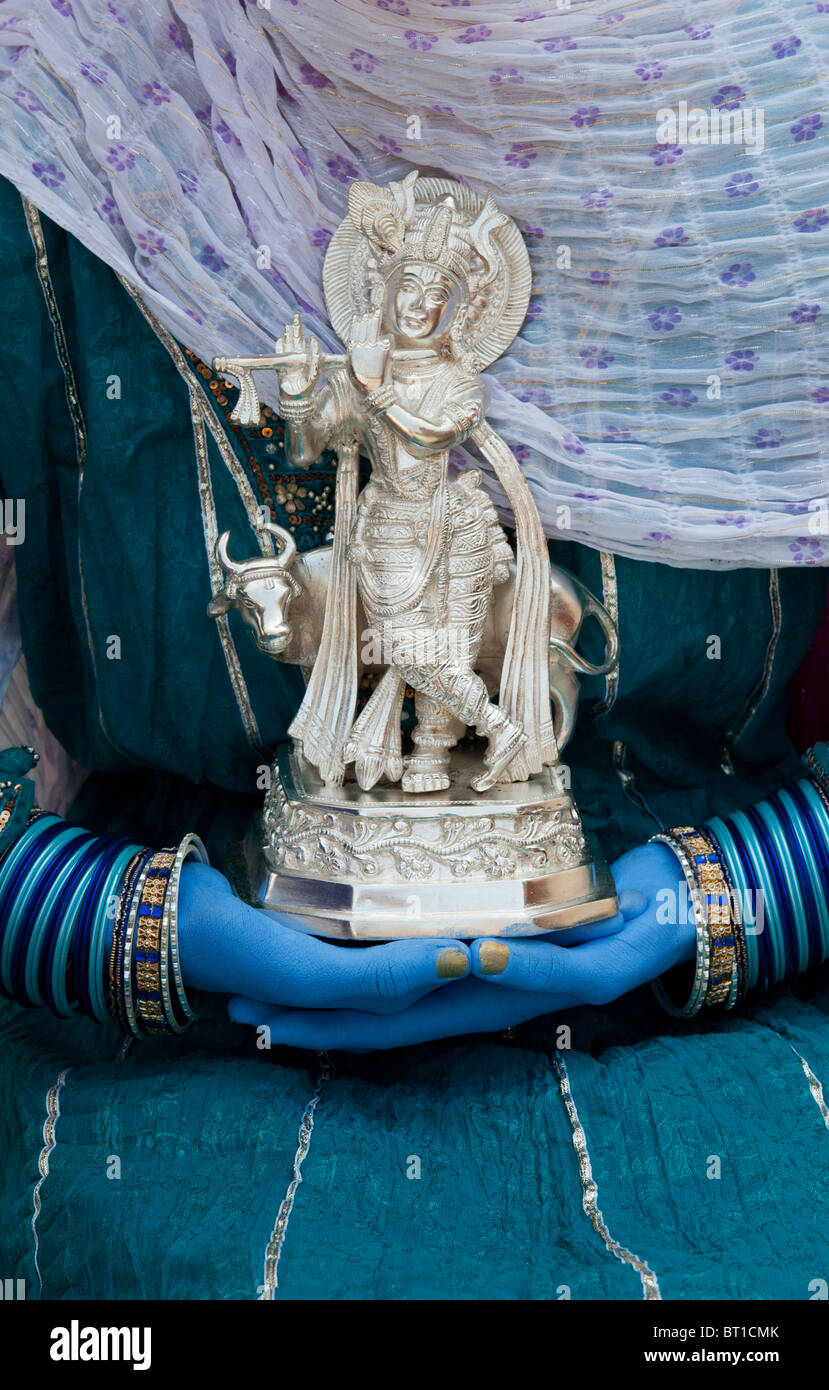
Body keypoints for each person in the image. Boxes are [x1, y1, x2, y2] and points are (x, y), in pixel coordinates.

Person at [0, 1, 828, 1301]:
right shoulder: (60, 84)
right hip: (164, 1098)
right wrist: (147, 927)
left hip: (740, 1057)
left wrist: (718, 896)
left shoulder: (781, 102)